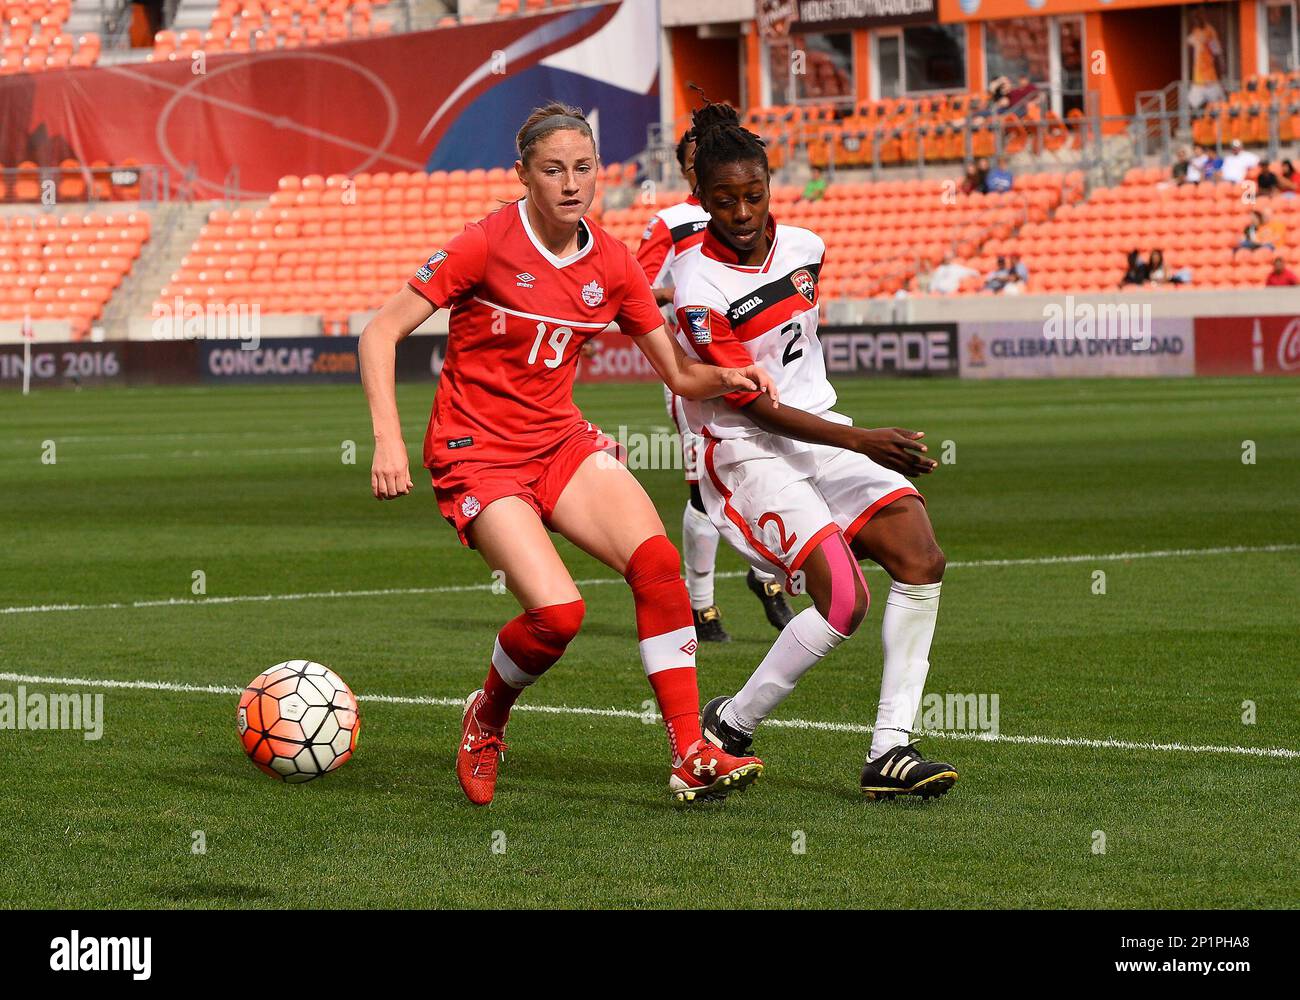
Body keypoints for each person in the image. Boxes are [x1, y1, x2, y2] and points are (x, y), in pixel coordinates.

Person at [359, 102, 778, 806]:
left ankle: (688, 752)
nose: (570, 182)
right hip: (476, 454)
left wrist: (731, 375)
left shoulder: (612, 262)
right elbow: (379, 334)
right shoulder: (484, 243)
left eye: (583, 168)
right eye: (552, 169)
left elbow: (676, 373)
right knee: (558, 616)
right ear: (523, 174)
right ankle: (486, 717)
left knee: (657, 564)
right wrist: (387, 440)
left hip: (558, 441)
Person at [672, 99, 958, 800]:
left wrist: (851, 438)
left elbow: (796, 371)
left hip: (820, 432)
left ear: (770, 184)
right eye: (724, 200)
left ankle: (890, 749)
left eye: (753, 194)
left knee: (921, 558)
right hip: (746, 452)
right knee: (845, 600)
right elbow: (754, 402)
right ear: (701, 201)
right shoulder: (696, 286)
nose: (741, 212)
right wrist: (864, 440)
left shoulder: (805, 246)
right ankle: (732, 724)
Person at [636, 127, 793, 641]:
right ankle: (701, 606)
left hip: (764, 365)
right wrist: (678, 291)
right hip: (699, 372)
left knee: (783, 465)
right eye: (701, 157)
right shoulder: (672, 222)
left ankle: (765, 568)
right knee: (705, 486)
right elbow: (633, 292)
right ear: (689, 170)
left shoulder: (754, 217)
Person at [1186, 11, 1226, 109]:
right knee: (1192, 103)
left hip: (1209, 75)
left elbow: (1216, 50)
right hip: (1198, 76)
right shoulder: (1196, 31)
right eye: (1194, 21)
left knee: (1218, 103)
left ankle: (1216, 121)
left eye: (1197, 20)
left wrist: (1221, 63)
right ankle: (1200, 120)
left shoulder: (1209, 31)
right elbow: (1189, 40)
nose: (1196, 23)